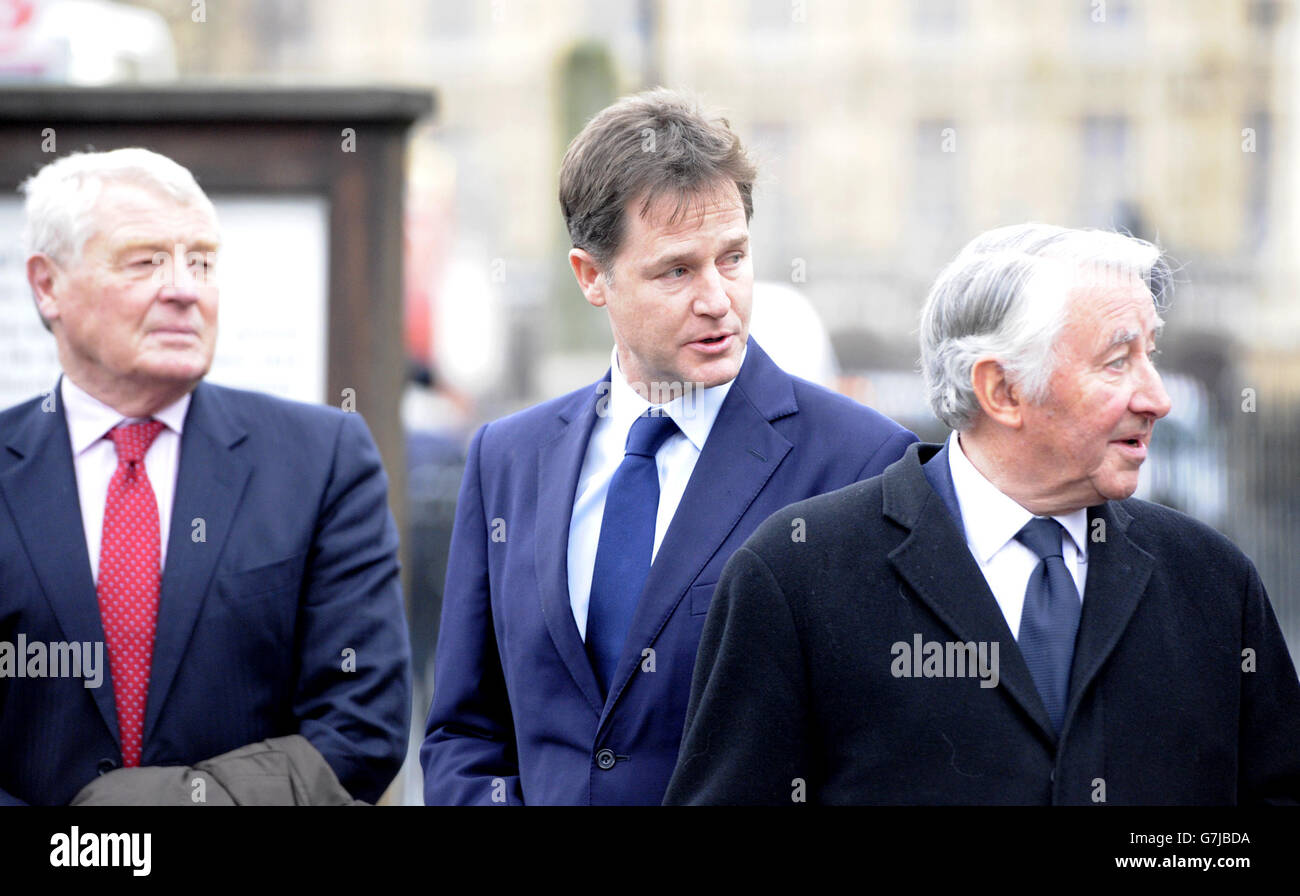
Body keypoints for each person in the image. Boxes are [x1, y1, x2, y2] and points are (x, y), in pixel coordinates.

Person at [665, 223, 1300, 805]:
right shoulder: (798, 577)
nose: (1157, 397)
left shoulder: (1214, 582)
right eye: (1116, 361)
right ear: (1002, 390)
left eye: (1150, 356)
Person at [420, 89, 916, 805]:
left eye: (734, 258)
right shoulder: (507, 459)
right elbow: (465, 732)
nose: (718, 297)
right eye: (677, 270)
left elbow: (881, 752)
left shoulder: (863, 462)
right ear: (593, 277)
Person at [0, 148, 411, 805]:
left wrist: (179, 806)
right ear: (48, 285)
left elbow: (362, 724)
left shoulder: (321, 459)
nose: (184, 288)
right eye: (145, 261)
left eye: (202, 262)